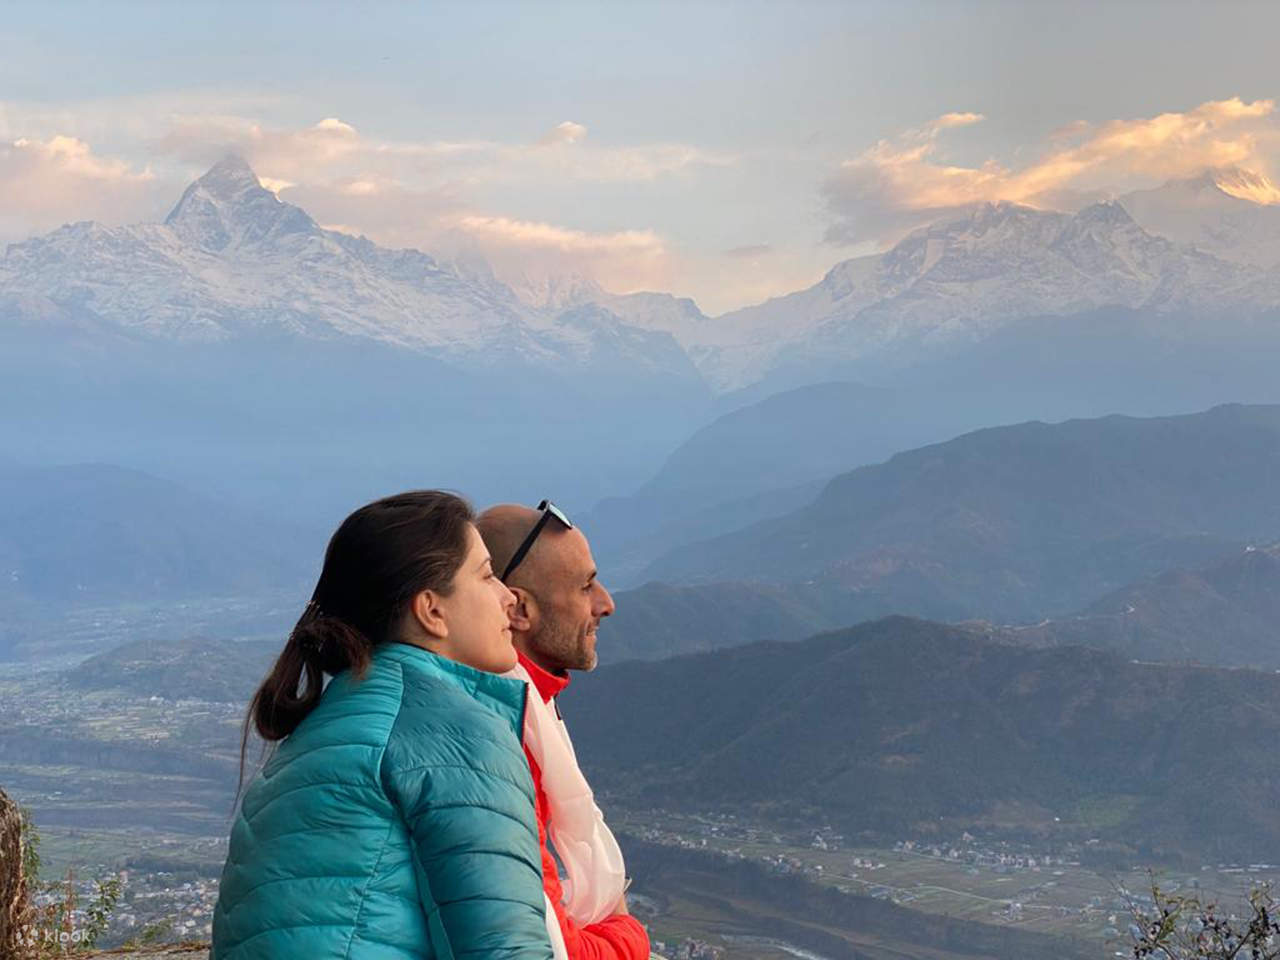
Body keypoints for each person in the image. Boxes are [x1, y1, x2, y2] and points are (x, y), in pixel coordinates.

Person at [212, 491, 553, 960]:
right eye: (487, 574)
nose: (507, 595)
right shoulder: (452, 731)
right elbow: (503, 948)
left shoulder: (325, 724)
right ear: (432, 610)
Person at [477, 501, 650, 960]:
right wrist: (631, 938)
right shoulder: (502, 737)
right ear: (519, 609)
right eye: (585, 586)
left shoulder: (526, 708)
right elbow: (551, 945)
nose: (606, 604)